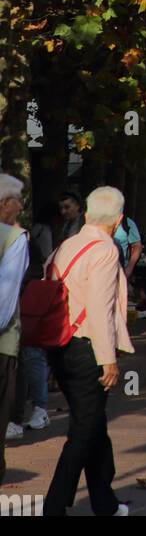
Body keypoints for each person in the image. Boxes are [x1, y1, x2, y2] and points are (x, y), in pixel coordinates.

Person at [43, 186, 133, 516]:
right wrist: (108, 359)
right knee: (84, 429)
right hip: (86, 348)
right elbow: (100, 307)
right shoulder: (105, 251)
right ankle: (54, 505)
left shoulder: (66, 245)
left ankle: (104, 503)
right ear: (119, 219)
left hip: (60, 343)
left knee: (93, 424)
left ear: (86, 213)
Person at [8, 200, 56, 438]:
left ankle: (37, 408)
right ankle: (25, 412)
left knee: (28, 357)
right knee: (21, 360)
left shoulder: (22, 238)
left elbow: (37, 269)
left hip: (24, 305)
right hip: (17, 304)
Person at [0, 175, 29, 484]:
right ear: (5, 204)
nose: (22, 205)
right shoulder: (15, 238)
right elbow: (5, 297)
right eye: (18, 199)